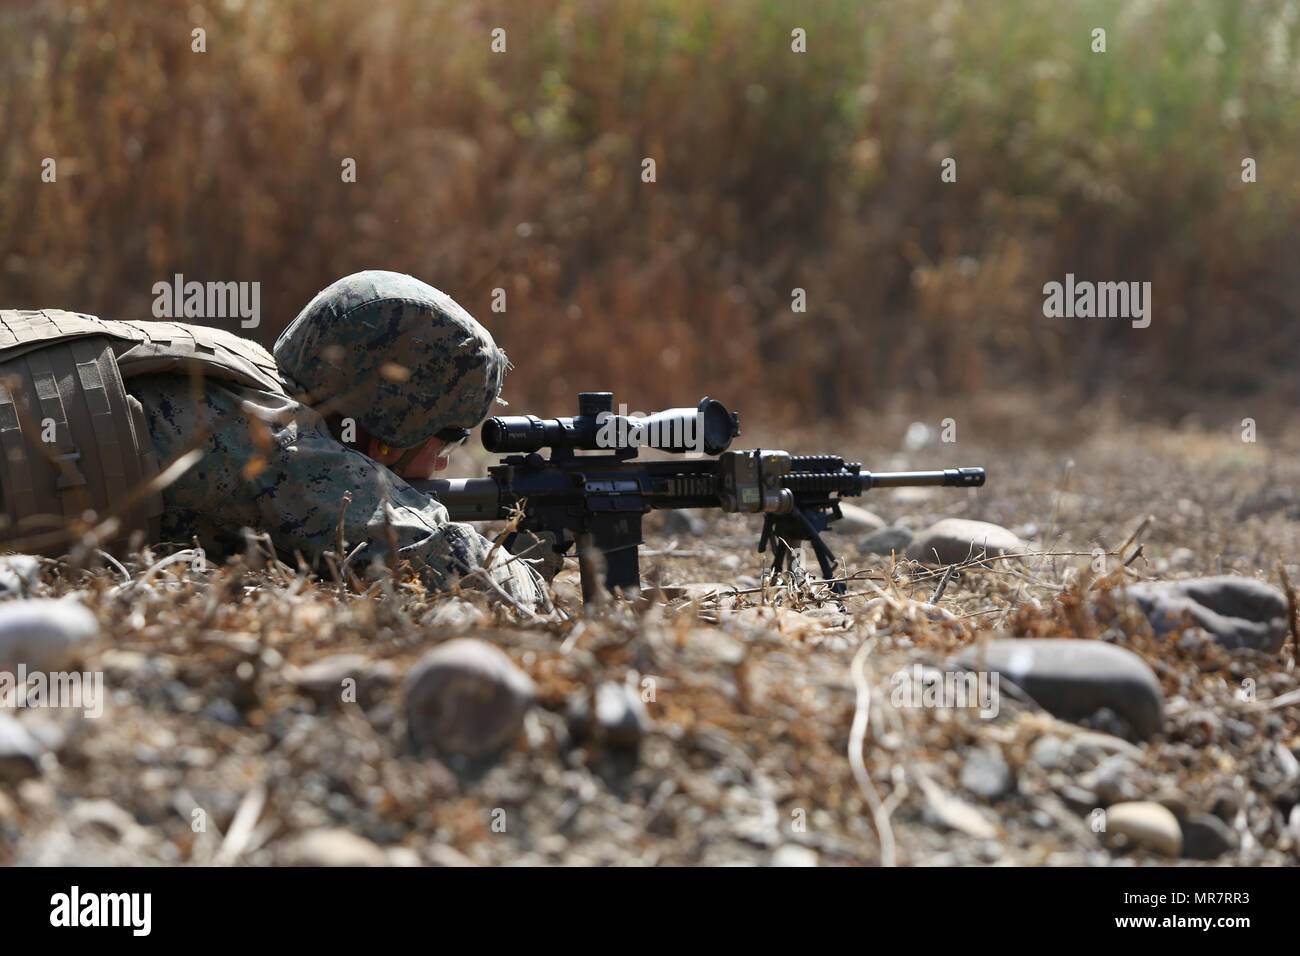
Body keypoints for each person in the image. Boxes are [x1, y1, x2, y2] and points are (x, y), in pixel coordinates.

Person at [0, 271, 547, 611]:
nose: (446, 459)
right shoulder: (278, 446)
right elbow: (471, 577)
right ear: (391, 430)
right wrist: (542, 561)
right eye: (446, 434)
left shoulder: (232, 371)